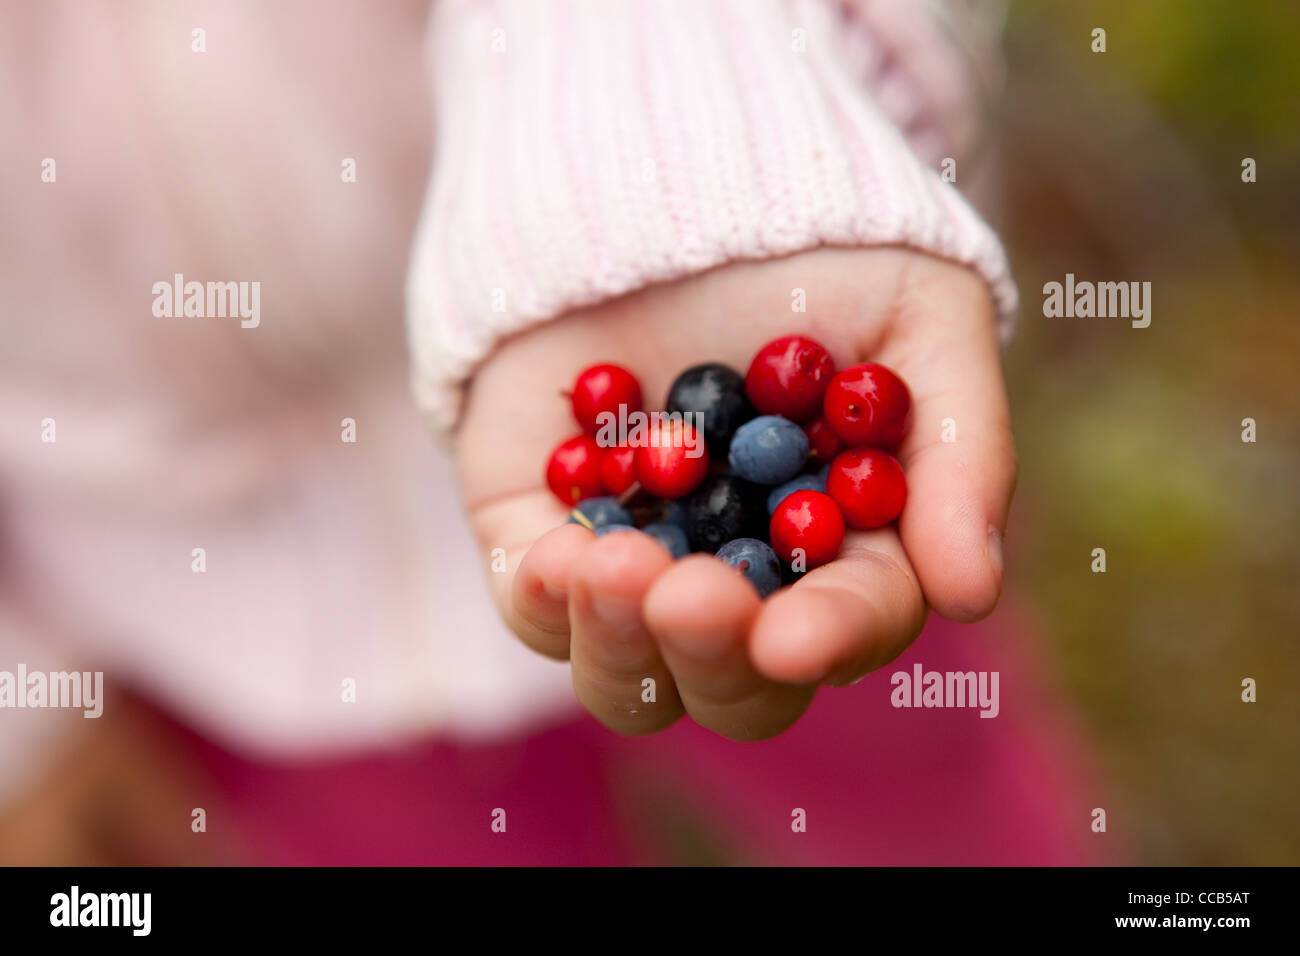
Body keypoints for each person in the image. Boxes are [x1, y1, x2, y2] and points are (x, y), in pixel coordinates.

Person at [0, 0, 1100, 864]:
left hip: (575, 300)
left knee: (933, 815)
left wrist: (718, 113)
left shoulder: (745, 469)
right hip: (202, 620)